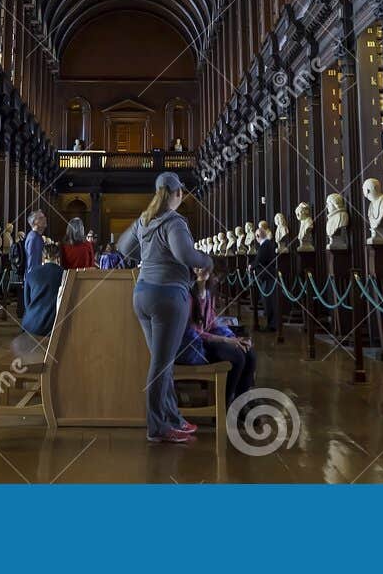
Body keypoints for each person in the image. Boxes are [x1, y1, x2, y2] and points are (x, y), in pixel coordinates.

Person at [116, 172, 212, 443]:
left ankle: (173, 419)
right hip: (168, 297)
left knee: (163, 363)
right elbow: (185, 255)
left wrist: (148, 257)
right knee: (161, 365)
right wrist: (206, 260)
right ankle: (158, 426)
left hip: (143, 295)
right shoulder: (174, 221)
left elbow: (123, 247)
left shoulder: (144, 219)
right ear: (178, 193)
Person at [190, 267, 257, 404]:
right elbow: (194, 332)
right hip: (197, 345)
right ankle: (224, 404)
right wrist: (225, 340)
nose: (202, 270)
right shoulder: (188, 295)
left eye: (205, 266)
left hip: (210, 339)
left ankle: (241, 401)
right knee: (237, 357)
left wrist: (234, 338)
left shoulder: (208, 293)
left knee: (250, 354)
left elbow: (212, 323)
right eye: (197, 266)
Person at [20, 241, 64, 337]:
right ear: (58, 259)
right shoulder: (64, 274)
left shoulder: (31, 274)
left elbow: (27, 304)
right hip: (52, 327)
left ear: (43, 258)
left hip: (30, 325)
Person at [252, 220, 278, 331]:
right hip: (268, 276)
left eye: (256, 237)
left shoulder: (265, 245)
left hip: (267, 277)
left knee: (268, 302)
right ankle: (271, 324)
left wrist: (251, 266)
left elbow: (259, 260)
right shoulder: (267, 244)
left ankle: (271, 325)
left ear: (258, 236)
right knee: (268, 301)